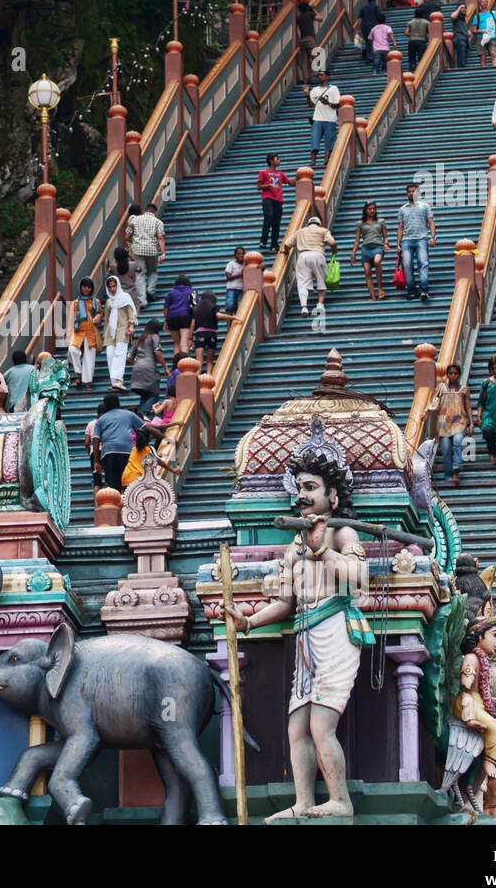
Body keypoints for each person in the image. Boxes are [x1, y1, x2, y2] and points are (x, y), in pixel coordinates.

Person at [207, 425, 370, 820]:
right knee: (297, 727)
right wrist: (246, 622)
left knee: (320, 724)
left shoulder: (339, 532)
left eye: (311, 487)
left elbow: (361, 576)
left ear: (332, 495)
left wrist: (321, 553)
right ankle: (304, 802)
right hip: (304, 636)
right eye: (298, 487)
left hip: (335, 630)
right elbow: (284, 603)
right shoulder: (294, 546)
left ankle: (340, 801)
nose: (302, 495)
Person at [91, 392, 145, 490]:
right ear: (119, 403)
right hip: (126, 450)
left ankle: (116, 501)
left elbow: (95, 439)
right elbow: (147, 428)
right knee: (125, 479)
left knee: (112, 482)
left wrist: (96, 461)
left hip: (108, 452)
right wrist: (163, 437)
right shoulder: (129, 414)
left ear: (105, 405)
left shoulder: (101, 419)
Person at [284, 214, 335, 317]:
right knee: (321, 279)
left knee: (302, 282)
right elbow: (332, 243)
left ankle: (304, 307)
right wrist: (334, 251)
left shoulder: (299, 232)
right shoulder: (323, 230)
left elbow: (287, 244)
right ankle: (320, 304)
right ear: (319, 224)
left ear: (308, 224)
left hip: (303, 256)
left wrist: (285, 252)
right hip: (318, 255)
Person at [396, 182, 435, 302]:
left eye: (413, 191)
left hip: (421, 239)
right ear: (406, 193)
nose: (411, 193)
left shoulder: (425, 206)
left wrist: (432, 237)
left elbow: (431, 222)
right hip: (406, 241)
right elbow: (401, 227)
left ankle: (424, 290)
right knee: (407, 265)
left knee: (423, 263)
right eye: (409, 191)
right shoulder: (402, 209)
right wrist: (398, 243)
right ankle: (412, 290)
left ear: (418, 192)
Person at [434, 364, 472, 486]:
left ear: (459, 375)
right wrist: (426, 413)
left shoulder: (464, 389)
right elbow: (434, 403)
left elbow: (468, 407)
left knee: (458, 441)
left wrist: (471, 423)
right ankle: (448, 475)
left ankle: (457, 468)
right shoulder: (441, 388)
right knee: (445, 449)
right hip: (444, 423)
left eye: (455, 373)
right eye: (450, 373)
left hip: (459, 422)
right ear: (447, 374)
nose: (453, 376)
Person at [66, 279, 102, 391]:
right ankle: (79, 375)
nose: (86, 289)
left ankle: (88, 383)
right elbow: (71, 320)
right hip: (78, 332)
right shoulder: (76, 303)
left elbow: (100, 315)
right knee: (72, 351)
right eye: (84, 286)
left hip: (91, 332)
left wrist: (99, 318)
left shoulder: (96, 302)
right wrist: (68, 336)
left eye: (89, 287)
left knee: (89, 359)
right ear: (80, 287)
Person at [349, 200, 388, 301]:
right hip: (366, 248)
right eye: (370, 209)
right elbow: (357, 240)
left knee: (377, 261)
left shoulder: (381, 221)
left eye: (374, 209)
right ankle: (373, 297)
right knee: (367, 272)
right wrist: (353, 253)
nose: (372, 211)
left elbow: (385, 236)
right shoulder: (360, 223)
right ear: (365, 210)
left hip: (378, 246)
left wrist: (386, 243)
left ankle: (380, 288)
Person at [126, 319, 167, 416]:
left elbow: (129, 358)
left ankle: (138, 416)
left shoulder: (139, 340)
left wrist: (138, 364)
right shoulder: (154, 337)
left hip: (137, 370)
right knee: (154, 395)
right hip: (149, 369)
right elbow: (157, 352)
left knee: (145, 396)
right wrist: (165, 367)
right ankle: (142, 413)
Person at [103, 274, 136, 390]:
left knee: (120, 353)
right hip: (110, 331)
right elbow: (107, 319)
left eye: (114, 286)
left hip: (123, 328)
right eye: (110, 287)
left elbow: (131, 312)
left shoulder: (125, 297)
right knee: (110, 354)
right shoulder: (108, 302)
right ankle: (114, 382)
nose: (112, 289)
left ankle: (119, 380)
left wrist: (131, 326)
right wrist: (105, 334)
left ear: (118, 285)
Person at [128, 202, 166, 304]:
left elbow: (127, 236)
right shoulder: (158, 222)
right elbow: (160, 238)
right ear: (155, 212)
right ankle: (150, 290)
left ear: (145, 211)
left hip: (137, 250)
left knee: (140, 274)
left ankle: (142, 301)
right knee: (152, 272)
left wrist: (135, 241)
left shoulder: (135, 220)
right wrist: (163, 253)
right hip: (152, 250)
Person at [305, 71, 340, 170]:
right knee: (315, 139)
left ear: (327, 76)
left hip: (330, 119)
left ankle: (326, 161)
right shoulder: (315, 89)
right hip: (318, 118)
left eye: (321, 75)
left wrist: (328, 103)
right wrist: (307, 94)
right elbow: (311, 105)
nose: (319, 77)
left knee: (329, 140)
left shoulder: (333, 89)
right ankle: (313, 161)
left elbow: (338, 104)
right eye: (318, 75)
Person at [258, 153, 290, 250]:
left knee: (277, 222)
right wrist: (270, 185)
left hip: (278, 199)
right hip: (268, 198)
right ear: (271, 161)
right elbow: (259, 186)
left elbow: (290, 182)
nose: (279, 161)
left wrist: (299, 177)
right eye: (277, 159)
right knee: (269, 217)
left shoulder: (280, 174)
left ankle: (274, 244)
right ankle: (263, 241)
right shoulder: (263, 172)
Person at [162, 274, 196, 355]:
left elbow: (166, 308)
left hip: (172, 318)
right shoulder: (192, 292)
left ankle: (176, 366)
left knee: (177, 343)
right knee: (184, 343)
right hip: (185, 317)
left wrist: (165, 320)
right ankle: (184, 366)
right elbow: (195, 307)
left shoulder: (171, 293)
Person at [191, 290, 220, 375]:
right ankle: (208, 378)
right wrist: (233, 318)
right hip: (212, 334)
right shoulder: (214, 307)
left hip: (199, 334)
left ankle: (196, 380)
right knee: (209, 361)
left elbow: (192, 324)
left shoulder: (196, 309)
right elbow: (219, 316)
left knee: (199, 361)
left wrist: (190, 338)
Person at [471, 0, 496, 67]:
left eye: (485, 1)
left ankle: (495, 68)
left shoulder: (493, 13)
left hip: (492, 36)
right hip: (481, 37)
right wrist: (480, 31)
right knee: (483, 56)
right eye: (483, 2)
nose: (484, 3)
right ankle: (483, 69)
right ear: (480, 4)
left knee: (493, 53)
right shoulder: (477, 17)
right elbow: (474, 30)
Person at [84, 399, 107, 490]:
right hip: (106, 451)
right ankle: (108, 501)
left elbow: (86, 443)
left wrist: (90, 452)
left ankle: (97, 504)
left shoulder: (91, 424)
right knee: (108, 478)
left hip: (95, 453)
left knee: (96, 480)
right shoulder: (108, 423)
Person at [296, 0, 320, 84]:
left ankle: (306, 80)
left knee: (305, 60)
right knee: (315, 57)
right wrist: (313, 9)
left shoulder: (299, 18)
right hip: (310, 39)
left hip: (302, 40)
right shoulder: (310, 14)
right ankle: (314, 77)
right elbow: (320, 18)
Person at [358, 0, 384, 64]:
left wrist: (359, 29)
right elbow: (379, 16)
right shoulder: (376, 7)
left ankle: (368, 57)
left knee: (367, 41)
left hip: (364, 27)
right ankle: (373, 57)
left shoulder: (363, 8)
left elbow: (359, 19)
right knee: (374, 41)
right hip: (373, 26)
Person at [223, 246, 246, 312]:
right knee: (230, 307)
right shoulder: (231, 264)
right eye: (238, 253)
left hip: (241, 289)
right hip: (231, 289)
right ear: (235, 255)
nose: (241, 255)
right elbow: (228, 277)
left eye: (242, 253)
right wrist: (240, 275)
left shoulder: (246, 264)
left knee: (239, 309)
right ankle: (229, 322)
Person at [450, 2, 470, 68]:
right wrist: (458, 9)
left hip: (465, 40)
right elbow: (452, 16)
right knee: (461, 58)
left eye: (465, 8)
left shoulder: (463, 19)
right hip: (459, 39)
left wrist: (467, 32)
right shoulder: (457, 17)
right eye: (462, 8)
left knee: (463, 57)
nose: (464, 9)